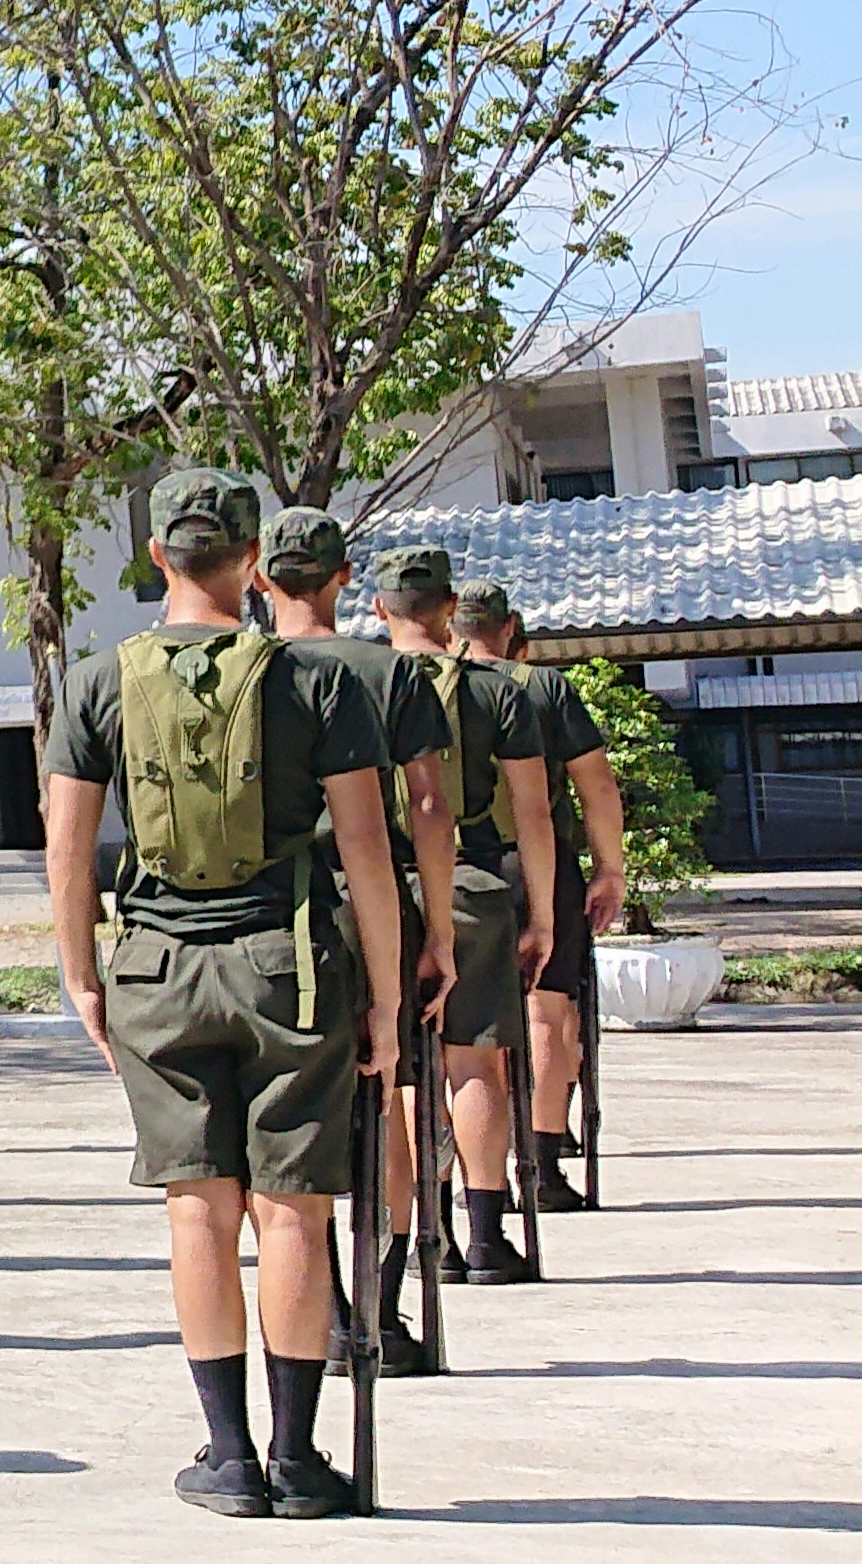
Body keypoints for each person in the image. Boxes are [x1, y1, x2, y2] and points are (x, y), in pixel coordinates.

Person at [47, 468, 408, 1519]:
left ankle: (225, 1457)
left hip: (155, 966)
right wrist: (381, 997)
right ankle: (297, 1461)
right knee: (291, 1208)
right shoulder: (315, 682)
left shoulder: (93, 682)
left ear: (156, 554)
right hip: (286, 962)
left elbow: (68, 846)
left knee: (194, 1209)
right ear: (252, 560)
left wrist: (80, 974)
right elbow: (366, 854)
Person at [262, 507, 456, 1356]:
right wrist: (439, 932)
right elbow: (428, 805)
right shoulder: (392, 674)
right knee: (388, 1102)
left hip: (275, 911)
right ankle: (383, 1301)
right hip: (373, 899)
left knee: (300, 1123)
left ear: (263, 578)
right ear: (346, 580)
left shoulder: (249, 672)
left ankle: (326, 1310)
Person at [381, 551, 554, 1292]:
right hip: (476, 879)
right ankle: (486, 1237)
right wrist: (543, 913)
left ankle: (426, 1229)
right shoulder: (495, 690)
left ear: (379, 610)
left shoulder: (352, 685)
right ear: (451, 608)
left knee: (397, 1077)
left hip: (381, 886)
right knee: (474, 1060)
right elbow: (535, 813)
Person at [462, 586, 632, 1219]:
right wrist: (610, 869)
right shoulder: (544, 689)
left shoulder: (423, 683)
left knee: (461, 1034)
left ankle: (475, 1181)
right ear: (509, 628)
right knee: (545, 1012)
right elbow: (596, 782)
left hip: (447, 869)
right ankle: (542, 1164)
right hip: (541, 864)